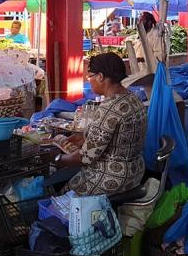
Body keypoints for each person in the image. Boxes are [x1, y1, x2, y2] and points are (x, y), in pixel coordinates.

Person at [55, 52, 147, 196]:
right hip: (135, 171)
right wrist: (86, 138)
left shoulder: (109, 108)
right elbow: (116, 138)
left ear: (100, 76)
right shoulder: (133, 99)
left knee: (63, 196)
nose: (89, 81)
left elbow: (86, 157)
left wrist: (58, 159)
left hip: (110, 178)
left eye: (89, 76)